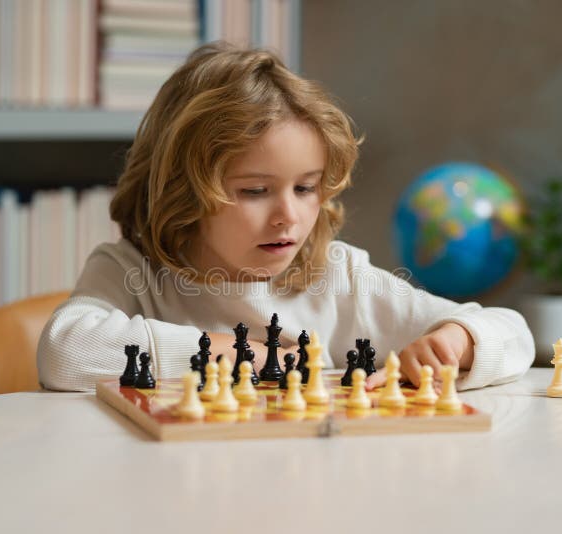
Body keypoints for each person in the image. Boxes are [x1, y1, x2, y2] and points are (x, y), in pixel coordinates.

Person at [36, 42, 534, 392]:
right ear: (183, 190)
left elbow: (512, 332)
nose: (288, 216)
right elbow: (65, 351)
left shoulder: (340, 279)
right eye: (255, 191)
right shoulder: (132, 271)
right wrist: (232, 353)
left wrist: (456, 342)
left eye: (306, 187)